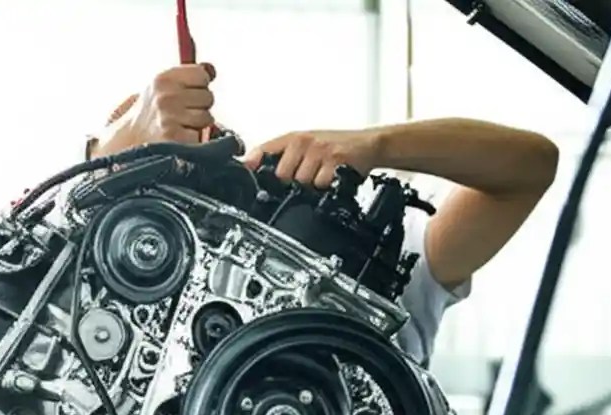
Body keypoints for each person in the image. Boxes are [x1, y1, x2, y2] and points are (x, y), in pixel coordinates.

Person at [86, 64, 560, 366]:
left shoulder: (366, 260)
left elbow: (531, 166)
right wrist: (118, 149)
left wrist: (376, 146)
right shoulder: (84, 296)